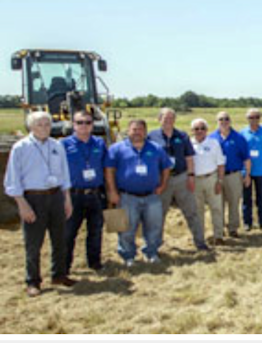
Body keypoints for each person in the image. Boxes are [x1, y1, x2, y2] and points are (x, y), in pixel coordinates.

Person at [3, 111, 74, 296]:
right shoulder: (21, 148)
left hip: (56, 196)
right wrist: (22, 203)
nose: (44, 128)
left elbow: (64, 175)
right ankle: (33, 281)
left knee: (60, 239)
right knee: (33, 243)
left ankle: (59, 274)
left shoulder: (57, 146)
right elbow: (12, 179)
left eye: (47, 124)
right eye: (40, 124)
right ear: (31, 127)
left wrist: (66, 198)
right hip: (33, 198)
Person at [104, 119, 173, 266]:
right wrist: (112, 191)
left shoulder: (156, 148)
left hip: (152, 196)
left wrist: (163, 185)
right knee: (126, 228)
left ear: (145, 131)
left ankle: (151, 252)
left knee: (154, 227)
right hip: (127, 196)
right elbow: (109, 171)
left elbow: (166, 168)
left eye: (140, 129)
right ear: (128, 131)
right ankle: (128, 256)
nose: (137, 132)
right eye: (134, 129)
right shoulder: (117, 149)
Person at [149, 107, 208, 251]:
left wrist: (191, 176)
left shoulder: (182, 136)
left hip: (181, 178)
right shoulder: (151, 136)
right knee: (159, 214)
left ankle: (200, 242)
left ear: (174, 120)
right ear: (159, 119)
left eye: (171, 118)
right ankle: (155, 245)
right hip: (162, 179)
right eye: (165, 118)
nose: (168, 120)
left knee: (191, 212)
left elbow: (189, 158)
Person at [62, 109, 107, 273]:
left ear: (92, 124)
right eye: (80, 122)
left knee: (95, 231)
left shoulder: (99, 143)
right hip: (74, 195)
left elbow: (106, 167)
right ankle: (64, 266)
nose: (84, 126)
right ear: (73, 124)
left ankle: (95, 262)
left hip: (95, 194)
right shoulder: (63, 145)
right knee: (69, 233)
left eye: (88, 122)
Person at [211, 111, 251, 238]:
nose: (224, 121)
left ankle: (233, 228)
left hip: (233, 175)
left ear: (230, 121)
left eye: (226, 119)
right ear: (217, 121)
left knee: (234, 203)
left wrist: (247, 175)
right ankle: (219, 229)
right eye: (221, 119)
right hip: (216, 176)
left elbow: (246, 158)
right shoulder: (211, 138)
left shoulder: (238, 138)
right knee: (218, 204)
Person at [189, 118, 226, 244]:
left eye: (202, 128)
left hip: (211, 178)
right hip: (195, 181)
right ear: (192, 131)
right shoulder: (188, 144)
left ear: (207, 130)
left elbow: (221, 164)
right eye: (196, 129)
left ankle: (218, 235)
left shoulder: (214, 143)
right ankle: (199, 238)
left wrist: (220, 181)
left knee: (216, 208)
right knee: (197, 211)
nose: (199, 131)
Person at [240, 108, 262, 230]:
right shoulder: (242, 133)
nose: (254, 119)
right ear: (247, 118)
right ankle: (247, 222)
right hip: (247, 172)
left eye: (256, 117)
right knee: (246, 198)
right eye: (251, 117)